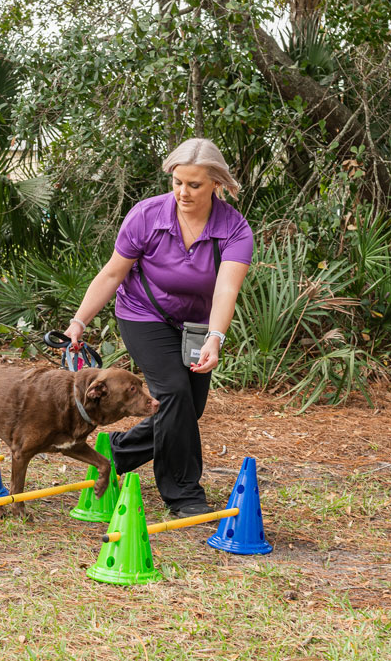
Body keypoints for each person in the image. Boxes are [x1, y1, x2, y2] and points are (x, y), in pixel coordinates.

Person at [64, 138, 253, 518]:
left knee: (187, 408)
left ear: (216, 184)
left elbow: (226, 290)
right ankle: (182, 494)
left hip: (198, 324)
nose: (183, 192)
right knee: (174, 394)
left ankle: (114, 453)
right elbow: (112, 274)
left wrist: (216, 338)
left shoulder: (234, 229)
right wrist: (78, 321)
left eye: (194, 184)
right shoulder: (147, 215)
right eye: (177, 182)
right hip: (143, 314)